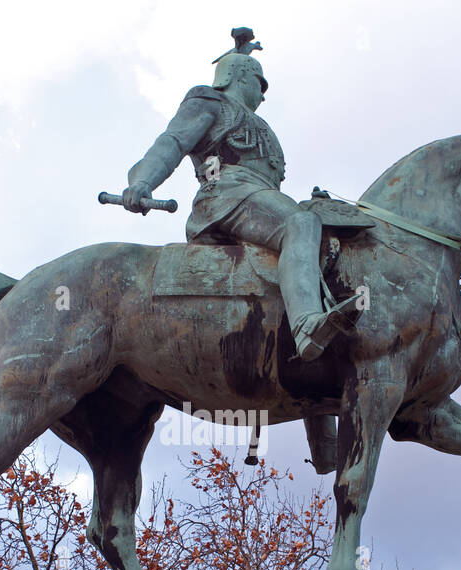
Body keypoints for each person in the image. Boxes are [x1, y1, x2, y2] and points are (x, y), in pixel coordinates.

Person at [121, 34, 362, 361]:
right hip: (226, 194)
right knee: (302, 222)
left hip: (260, 199)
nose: (263, 94)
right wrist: (143, 181)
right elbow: (173, 142)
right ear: (236, 76)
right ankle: (306, 324)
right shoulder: (208, 101)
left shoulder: (255, 120)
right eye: (258, 82)